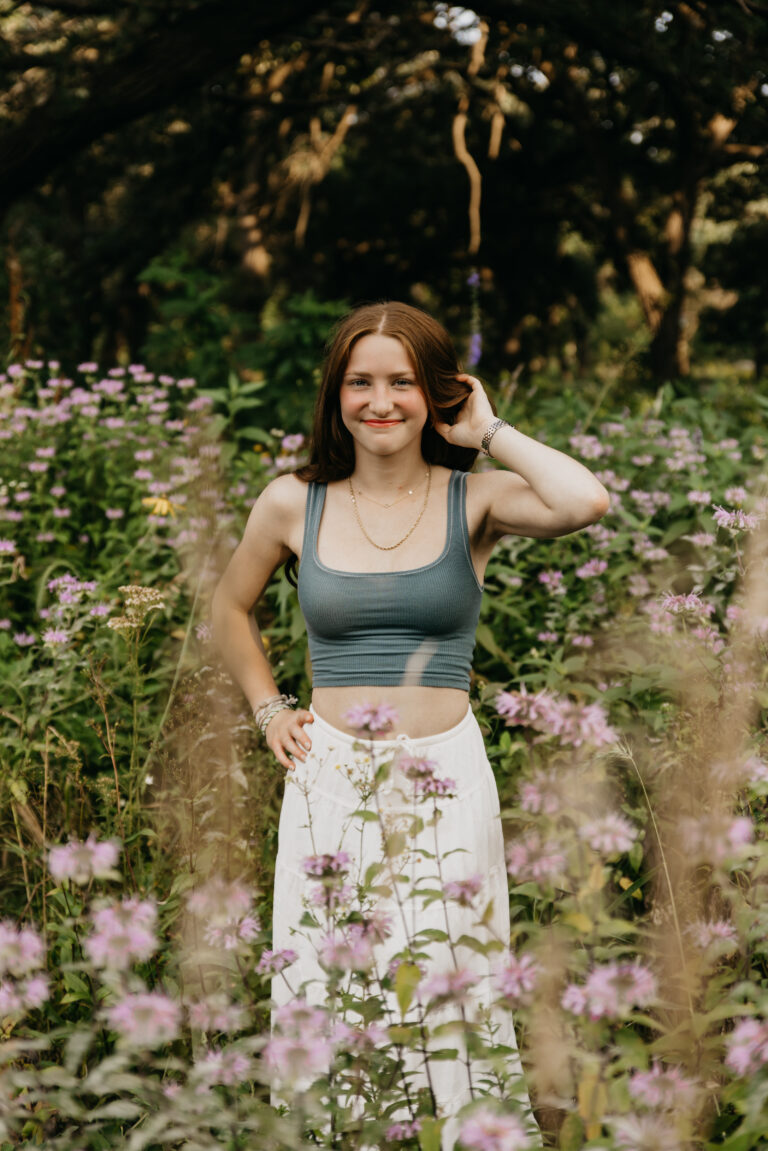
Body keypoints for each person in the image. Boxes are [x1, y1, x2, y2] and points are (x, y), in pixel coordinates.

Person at [211, 301, 610, 1146]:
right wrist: (268, 706)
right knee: (332, 985)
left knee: (454, 977)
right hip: (329, 779)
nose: (380, 400)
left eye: (402, 382)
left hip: (447, 777)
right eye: (361, 381)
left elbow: (586, 500)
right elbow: (229, 605)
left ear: (437, 394)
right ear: (336, 394)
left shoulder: (477, 496)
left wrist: (491, 428)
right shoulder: (292, 502)